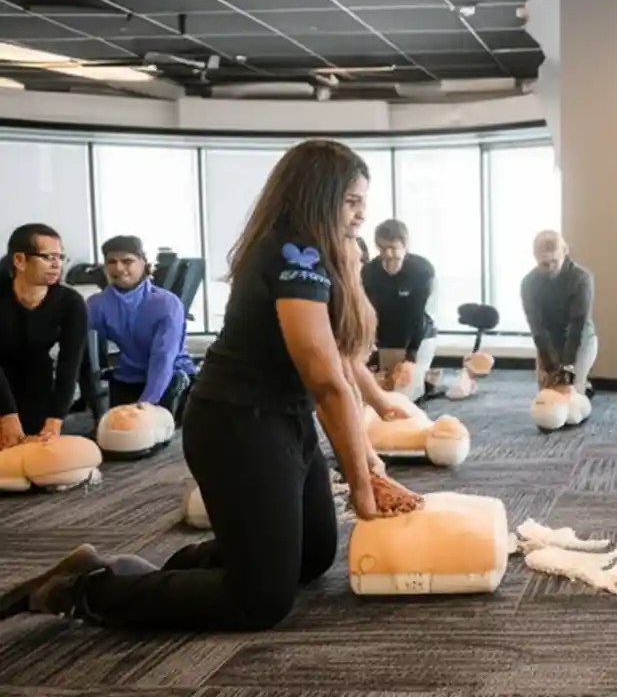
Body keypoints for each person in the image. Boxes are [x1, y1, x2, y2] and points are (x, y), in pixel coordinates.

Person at [0, 139, 423, 631]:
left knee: (312, 557)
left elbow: (338, 372)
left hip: (283, 419)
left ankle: (184, 569)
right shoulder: (294, 253)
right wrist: (361, 484)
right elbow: (326, 379)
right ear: (319, 196)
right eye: (352, 201)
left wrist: (366, 460)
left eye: (363, 202)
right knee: (261, 601)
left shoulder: (324, 255)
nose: (361, 215)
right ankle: (86, 587)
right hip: (237, 424)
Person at [86, 235, 196, 416]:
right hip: (128, 374)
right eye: (111, 261)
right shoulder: (98, 304)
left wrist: (145, 405)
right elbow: (70, 333)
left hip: (170, 374)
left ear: (143, 263)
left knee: (148, 434)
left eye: (127, 261)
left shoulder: (165, 303)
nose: (118, 268)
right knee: (117, 435)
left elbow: (163, 357)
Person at [0, 223, 88, 449]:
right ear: (19, 260)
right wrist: (7, 414)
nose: (56, 264)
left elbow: (69, 366)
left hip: (37, 381)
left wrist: (54, 421)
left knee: (38, 450)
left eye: (60, 257)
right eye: (48, 257)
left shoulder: (71, 303)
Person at [520, 230, 596, 394]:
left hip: (581, 338)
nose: (550, 268)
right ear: (535, 258)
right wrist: (552, 367)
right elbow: (537, 328)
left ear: (565, 252)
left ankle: (582, 386)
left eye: (554, 261)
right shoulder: (528, 283)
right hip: (549, 340)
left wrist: (568, 366)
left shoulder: (581, 279)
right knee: (548, 399)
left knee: (570, 397)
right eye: (544, 264)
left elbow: (577, 325)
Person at [361, 219, 437, 377]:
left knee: (408, 386)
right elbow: (366, 312)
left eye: (393, 248)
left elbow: (417, 314)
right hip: (384, 336)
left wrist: (411, 354)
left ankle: (426, 379)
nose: (388, 254)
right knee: (380, 383)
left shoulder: (422, 270)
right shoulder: (368, 272)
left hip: (419, 334)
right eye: (382, 248)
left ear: (406, 245)